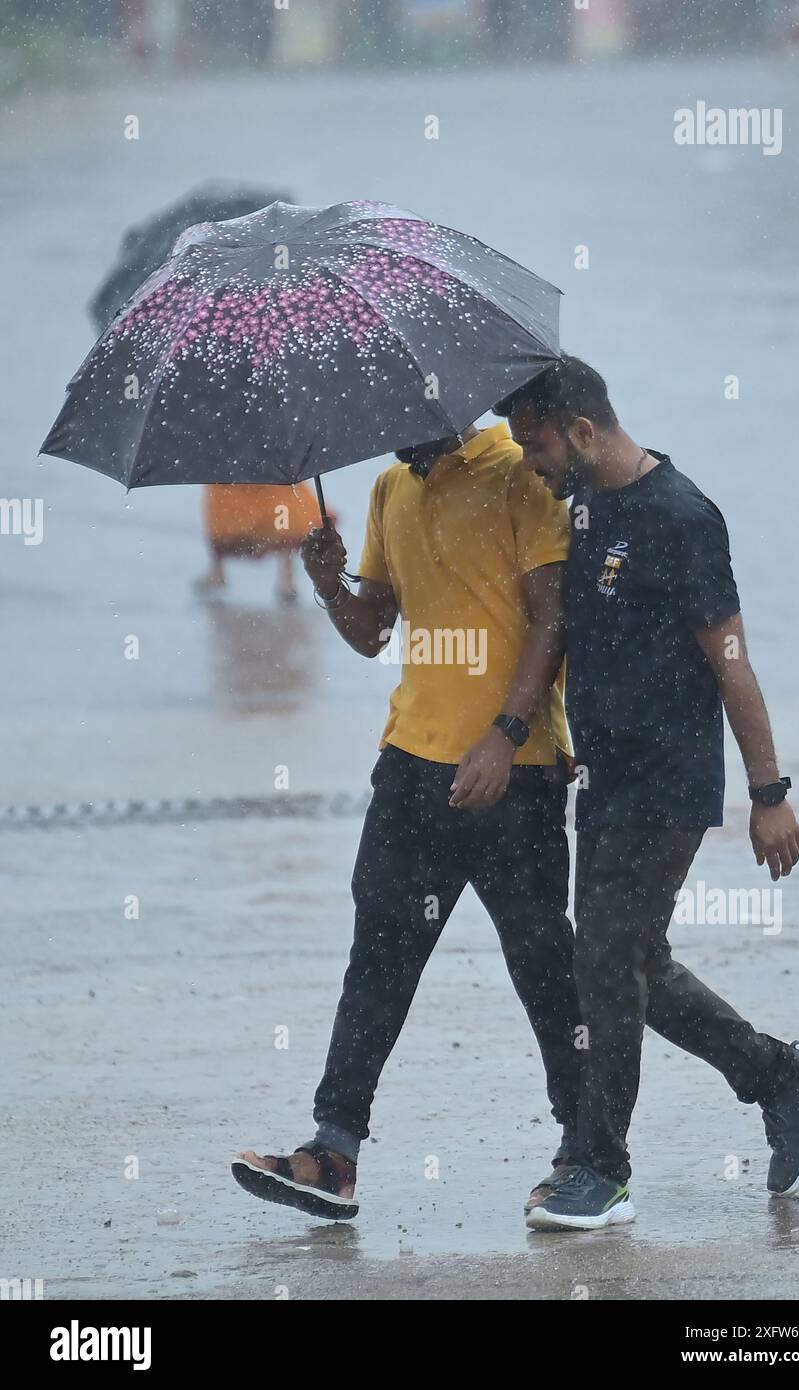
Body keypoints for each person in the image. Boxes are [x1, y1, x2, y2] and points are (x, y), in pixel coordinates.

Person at [496, 357, 799, 1231]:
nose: (529, 462)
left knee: (605, 960)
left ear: (579, 430)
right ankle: (778, 1074)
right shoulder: (584, 505)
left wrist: (770, 793)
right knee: (629, 961)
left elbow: (732, 661)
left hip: (672, 780)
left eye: (534, 443)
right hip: (604, 777)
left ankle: (602, 1169)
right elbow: (578, 631)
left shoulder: (683, 518)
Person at [232, 420, 583, 1220]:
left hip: (515, 771)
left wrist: (507, 735)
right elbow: (373, 634)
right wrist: (328, 586)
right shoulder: (390, 488)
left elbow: (554, 621)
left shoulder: (518, 475)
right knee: (377, 960)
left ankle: (583, 1148)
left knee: (542, 967)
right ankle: (334, 1153)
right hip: (410, 768)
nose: (378, 430)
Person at [195, 481, 323, 603]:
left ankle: (217, 572)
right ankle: (287, 580)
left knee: (224, 500)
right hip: (270, 472)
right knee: (282, 500)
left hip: (234, 474)